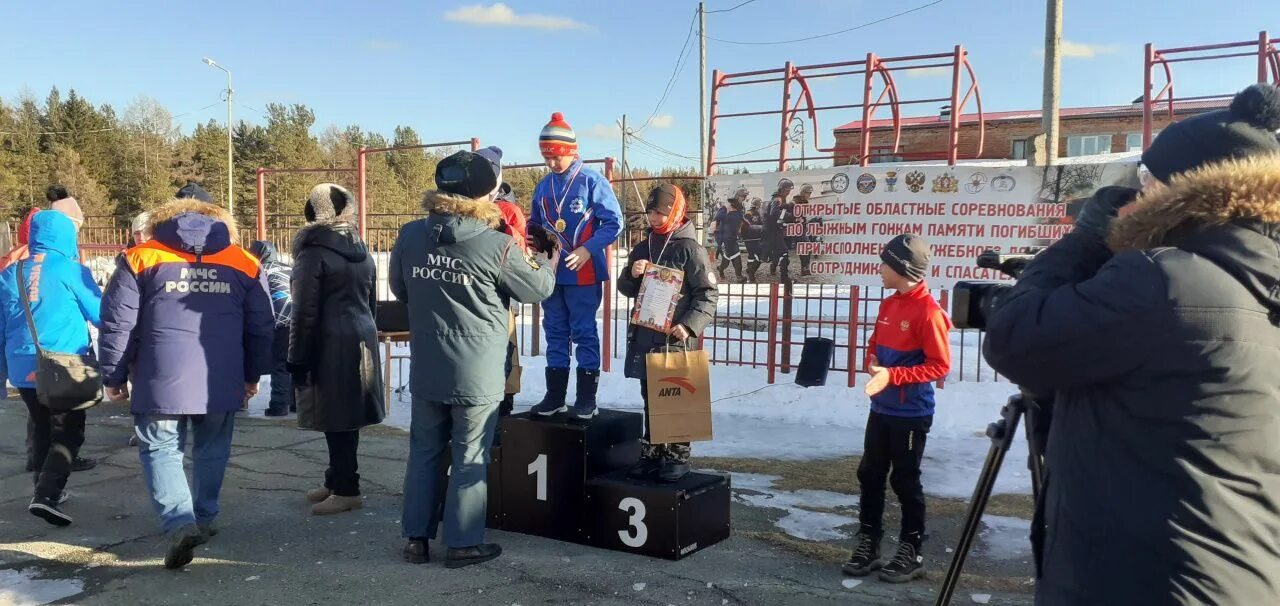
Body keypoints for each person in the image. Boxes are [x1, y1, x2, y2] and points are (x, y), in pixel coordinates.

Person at [982, 84, 1280, 605]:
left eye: (1147, 180)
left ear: (1184, 191)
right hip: (1237, 573)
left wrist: (1087, 240)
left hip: (1145, 579)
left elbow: (1015, 337)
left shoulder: (1164, 281)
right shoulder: (1257, 276)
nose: (1137, 194)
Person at [392, 147, 556, 568]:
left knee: (425, 451)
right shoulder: (496, 245)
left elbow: (400, 288)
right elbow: (538, 289)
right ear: (487, 194)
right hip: (477, 372)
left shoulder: (411, 235)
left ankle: (416, 539)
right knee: (469, 457)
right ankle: (463, 542)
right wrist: (544, 260)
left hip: (428, 363)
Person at [98, 198, 274, 568]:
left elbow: (118, 324)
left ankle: (180, 523)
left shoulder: (140, 258)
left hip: (158, 375)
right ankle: (204, 518)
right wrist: (251, 375)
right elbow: (260, 326)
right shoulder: (242, 260)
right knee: (212, 447)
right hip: (220, 375)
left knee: (161, 449)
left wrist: (112, 375)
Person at [843, 233, 952, 583]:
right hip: (881, 409)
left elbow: (940, 365)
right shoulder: (888, 304)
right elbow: (875, 344)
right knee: (870, 474)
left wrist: (895, 375)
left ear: (901, 268)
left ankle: (911, 549)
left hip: (911, 414)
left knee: (905, 481)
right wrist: (872, 360)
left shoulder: (929, 312)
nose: (879, 269)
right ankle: (869, 543)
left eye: (885, 264)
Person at [0, 211, 103, 526]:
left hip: (22, 366)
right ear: (66, 237)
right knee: (69, 431)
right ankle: (47, 495)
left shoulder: (8, 274)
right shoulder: (72, 271)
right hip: (63, 365)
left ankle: (41, 490)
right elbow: (101, 315)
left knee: (41, 424)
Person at [288, 183, 385, 516]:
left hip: (328, 340)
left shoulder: (313, 252)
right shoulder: (361, 249)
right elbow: (372, 302)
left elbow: (304, 311)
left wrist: (297, 356)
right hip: (360, 337)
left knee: (336, 417)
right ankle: (336, 479)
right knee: (347, 416)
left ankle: (347, 488)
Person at [617, 184, 717, 482]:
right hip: (647, 335)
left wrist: (689, 325)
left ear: (675, 210)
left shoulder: (690, 249)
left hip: (676, 339)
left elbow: (708, 294)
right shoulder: (643, 245)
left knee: (676, 396)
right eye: (650, 212)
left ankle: (677, 455)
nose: (654, 218)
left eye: (660, 212)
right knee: (651, 396)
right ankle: (653, 453)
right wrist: (630, 275)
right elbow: (627, 290)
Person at [527, 112, 623, 419]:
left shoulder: (593, 181)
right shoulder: (543, 186)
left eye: (556, 156)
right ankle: (555, 396)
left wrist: (586, 249)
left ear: (571, 151)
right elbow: (535, 223)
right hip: (551, 273)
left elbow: (614, 223)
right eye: (547, 157)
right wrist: (534, 242)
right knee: (554, 332)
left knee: (583, 332)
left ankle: (586, 398)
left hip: (584, 271)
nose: (552, 163)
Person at [494, 181, 528, 421]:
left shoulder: (508, 210)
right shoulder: (511, 209)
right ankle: (503, 407)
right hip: (504, 289)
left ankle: (502, 407)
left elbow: (519, 244)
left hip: (499, 289)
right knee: (506, 350)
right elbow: (521, 247)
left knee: (505, 350)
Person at [248, 240, 294, 417]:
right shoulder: (288, 267)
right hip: (297, 318)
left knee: (279, 363)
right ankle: (297, 402)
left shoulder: (259, 270)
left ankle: (279, 404)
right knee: (295, 361)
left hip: (278, 320)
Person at [763, 178, 794, 282]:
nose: (788, 192)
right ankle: (784, 278)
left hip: (775, 230)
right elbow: (774, 213)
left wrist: (788, 206)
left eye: (789, 190)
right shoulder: (777, 199)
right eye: (786, 190)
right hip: (773, 231)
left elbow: (781, 209)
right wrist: (789, 215)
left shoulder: (780, 199)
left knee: (777, 253)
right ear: (781, 189)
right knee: (784, 252)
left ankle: (770, 268)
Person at [713, 188, 747, 281]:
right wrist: (718, 240)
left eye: (745, 197)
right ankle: (739, 276)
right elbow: (717, 222)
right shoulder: (726, 208)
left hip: (733, 237)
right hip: (726, 237)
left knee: (727, 259)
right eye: (743, 197)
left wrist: (740, 231)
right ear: (736, 197)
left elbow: (740, 221)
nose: (744, 199)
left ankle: (720, 268)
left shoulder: (740, 209)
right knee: (736, 255)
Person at [741, 198, 766, 282]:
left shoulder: (758, 213)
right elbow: (745, 226)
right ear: (757, 205)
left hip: (756, 237)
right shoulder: (749, 213)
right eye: (759, 204)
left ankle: (750, 267)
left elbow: (761, 224)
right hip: (749, 237)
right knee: (751, 253)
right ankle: (749, 267)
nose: (760, 206)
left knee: (754, 252)